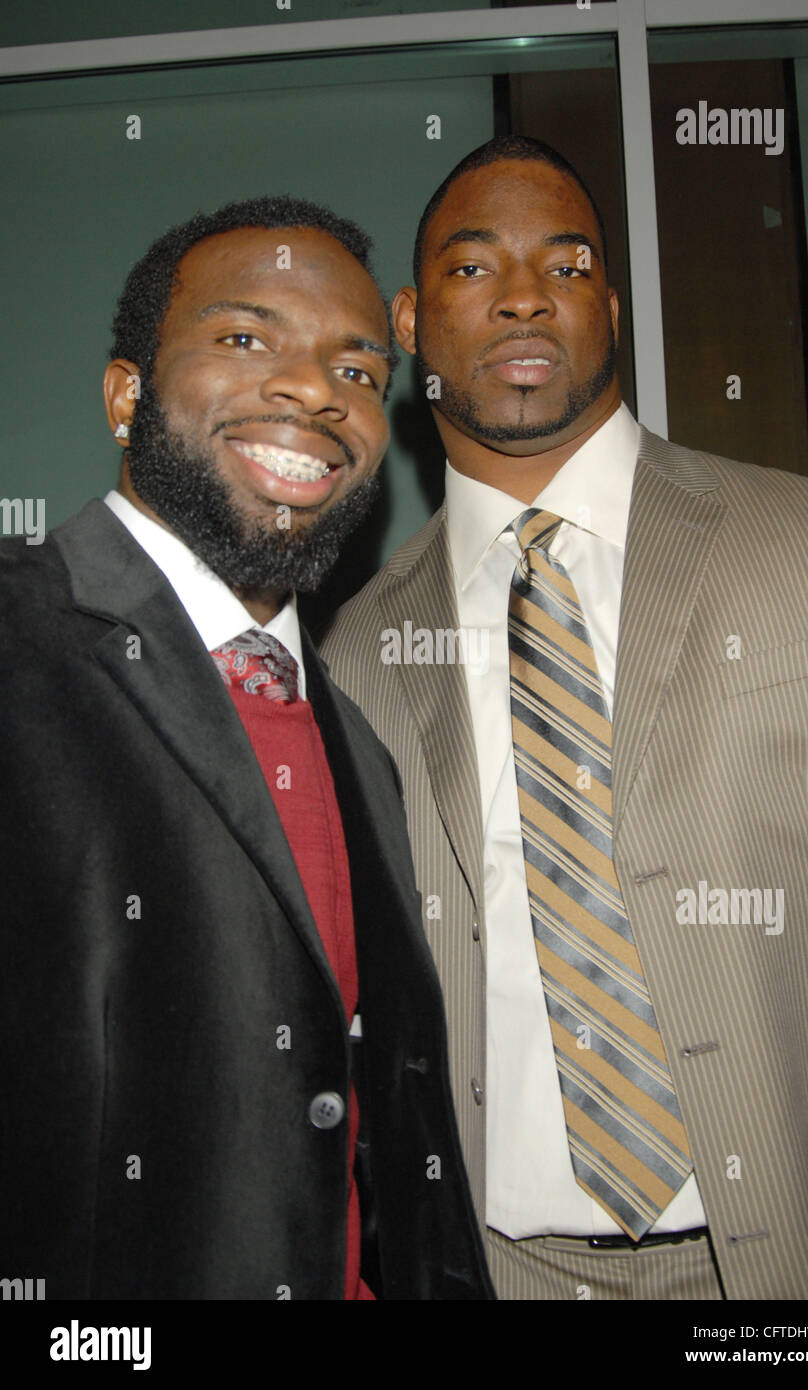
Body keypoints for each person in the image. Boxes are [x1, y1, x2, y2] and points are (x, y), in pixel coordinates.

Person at [321, 138, 808, 1301]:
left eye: (566, 264)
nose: (525, 292)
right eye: (475, 269)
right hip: (499, 1273)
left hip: (806, 1264)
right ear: (411, 322)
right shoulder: (355, 656)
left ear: (610, 308)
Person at [0, 195, 493, 1301]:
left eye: (361, 372)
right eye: (245, 339)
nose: (317, 390)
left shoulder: (355, 740)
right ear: (126, 394)